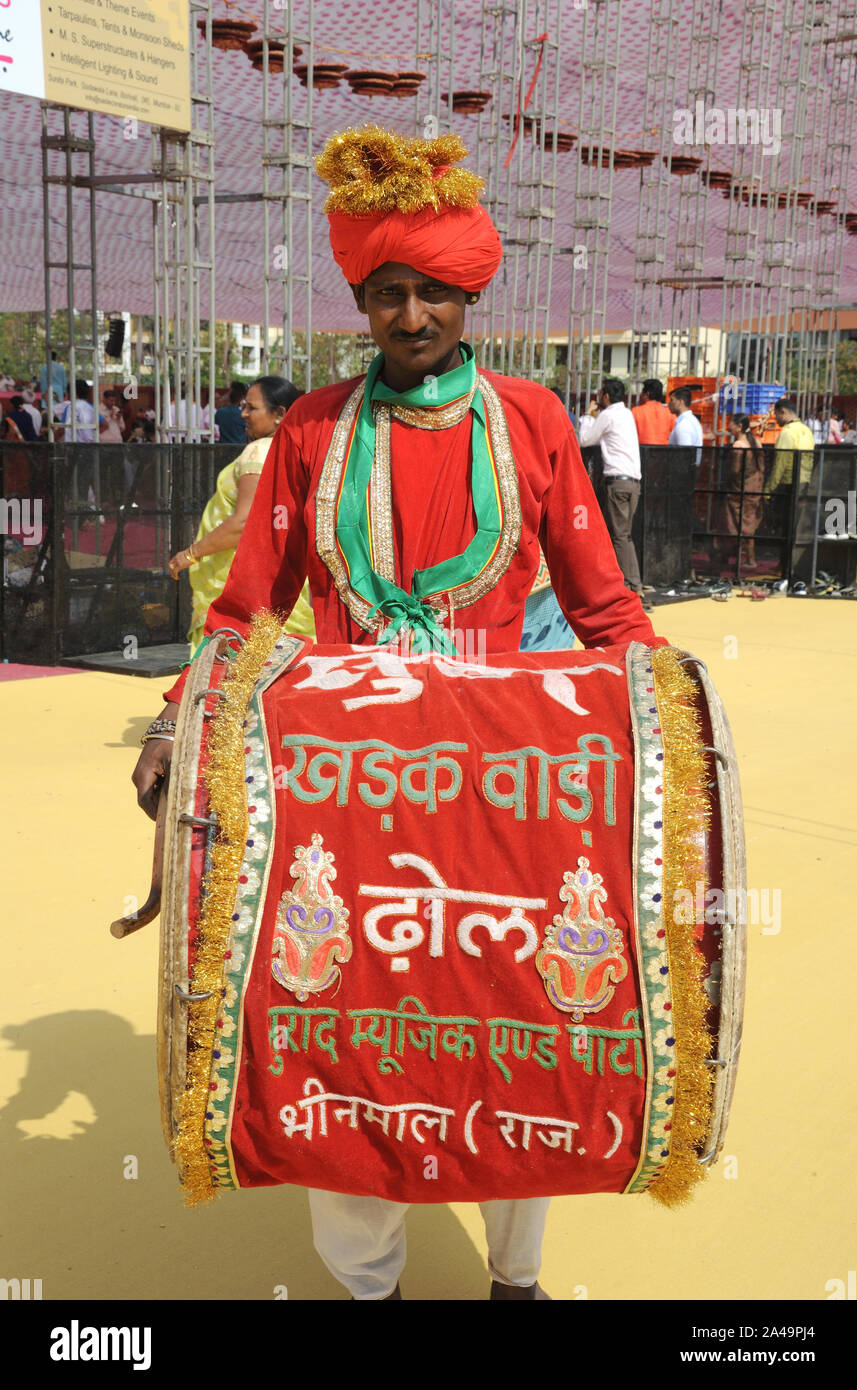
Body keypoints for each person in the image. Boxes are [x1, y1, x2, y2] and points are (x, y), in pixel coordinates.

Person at [132, 126, 665, 1303]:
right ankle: (368, 1288)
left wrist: (678, 721)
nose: (411, 315)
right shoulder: (311, 433)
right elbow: (247, 608)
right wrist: (181, 717)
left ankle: (514, 1278)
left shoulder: (529, 423)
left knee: (516, 1013)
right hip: (344, 796)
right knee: (342, 1031)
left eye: (432, 291)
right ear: (361, 305)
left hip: (501, 788)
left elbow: (602, 603)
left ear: (468, 295)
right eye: (386, 294)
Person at [168, 375, 314, 654]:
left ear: (280, 414)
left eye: (252, 407)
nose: (243, 413)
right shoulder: (296, 452)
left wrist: (190, 554)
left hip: (241, 581)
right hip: (280, 577)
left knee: (223, 676)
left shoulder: (259, 451)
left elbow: (244, 521)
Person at [578, 378, 649, 608]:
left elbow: (585, 439)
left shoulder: (608, 415)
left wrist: (588, 415)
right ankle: (635, 583)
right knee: (625, 535)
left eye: (600, 394)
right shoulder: (627, 414)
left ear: (606, 396)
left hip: (617, 482)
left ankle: (627, 586)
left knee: (619, 536)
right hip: (634, 482)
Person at [720, 413, 764, 569]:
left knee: (737, 525)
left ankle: (743, 559)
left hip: (740, 490)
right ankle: (748, 558)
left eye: (730, 424)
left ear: (739, 426)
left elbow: (735, 470)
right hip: (754, 489)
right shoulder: (756, 443)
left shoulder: (739, 446)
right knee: (748, 523)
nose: (728, 427)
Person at [764, 398, 815, 497]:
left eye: (776, 414)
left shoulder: (787, 432)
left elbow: (780, 463)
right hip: (805, 482)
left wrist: (768, 490)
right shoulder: (807, 430)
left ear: (783, 411)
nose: (775, 418)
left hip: (788, 484)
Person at [631, 378, 672, 446]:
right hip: (664, 452)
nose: (640, 395)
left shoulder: (635, 411)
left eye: (642, 393)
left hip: (642, 452)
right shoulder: (670, 412)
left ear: (647, 394)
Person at [667, 387, 704, 453]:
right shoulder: (692, 420)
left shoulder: (683, 425)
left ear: (680, 402)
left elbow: (684, 456)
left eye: (672, 400)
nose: (669, 404)